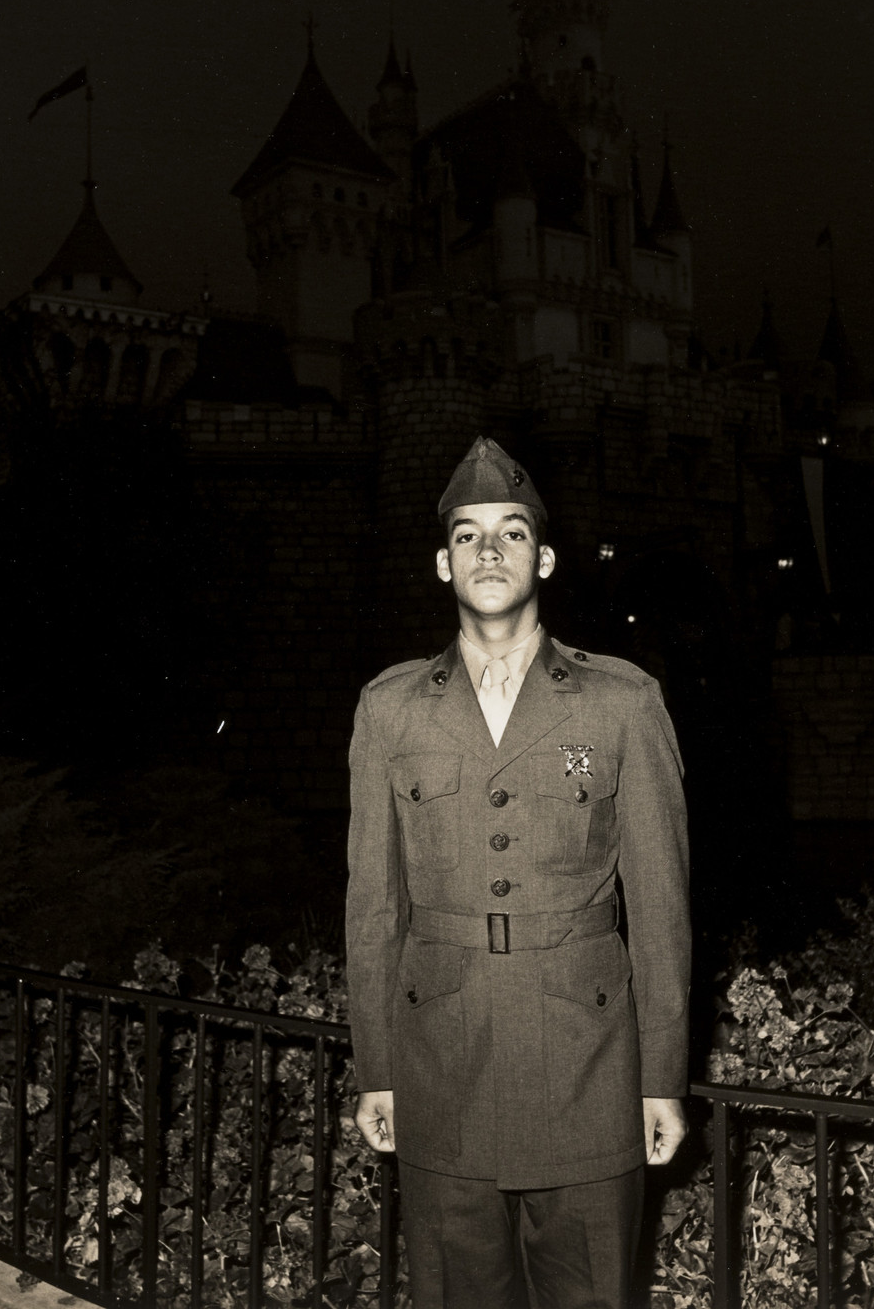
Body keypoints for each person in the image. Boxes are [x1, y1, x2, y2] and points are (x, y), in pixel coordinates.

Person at [345, 437, 692, 1309]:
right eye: (467, 535)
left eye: (509, 532)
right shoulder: (389, 709)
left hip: (586, 1061)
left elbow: (658, 909)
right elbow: (371, 906)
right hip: (441, 1066)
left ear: (542, 557)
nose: (487, 551)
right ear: (440, 562)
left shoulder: (621, 701)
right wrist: (377, 1068)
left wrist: (660, 1080)